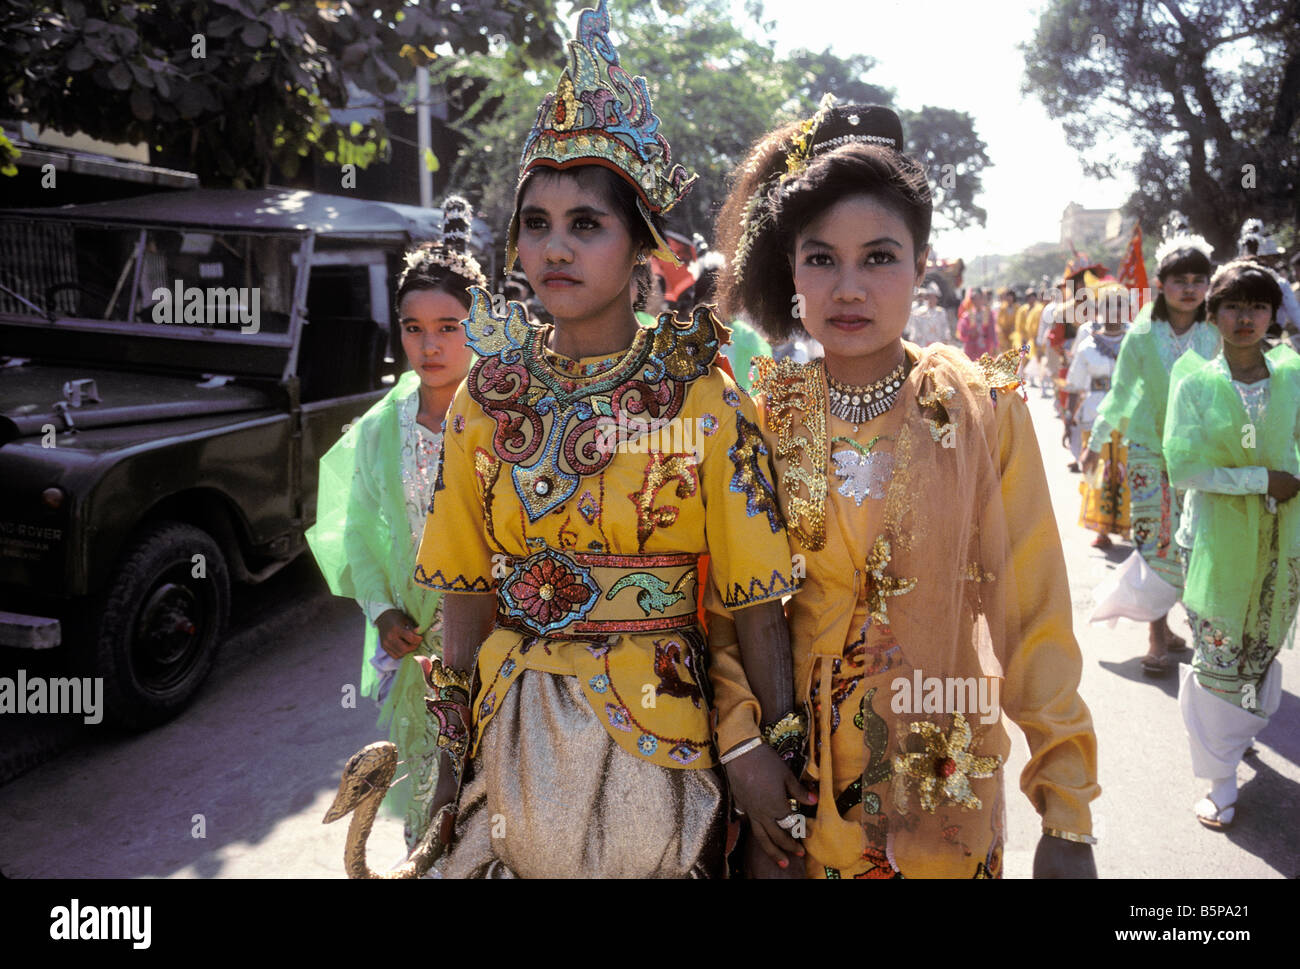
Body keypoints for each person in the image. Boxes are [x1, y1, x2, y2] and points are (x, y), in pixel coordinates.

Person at [413, 0, 803, 878]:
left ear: (641, 248)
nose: (555, 246)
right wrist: (445, 776)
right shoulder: (487, 395)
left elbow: (754, 601)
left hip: (660, 747)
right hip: (512, 741)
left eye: (585, 223)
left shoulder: (703, 398)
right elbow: (465, 597)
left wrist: (779, 755)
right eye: (537, 223)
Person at [712, 99, 1099, 879]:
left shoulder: (985, 407)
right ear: (792, 272)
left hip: (943, 770)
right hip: (801, 785)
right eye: (821, 259)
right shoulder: (764, 414)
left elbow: (1032, 610)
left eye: (879, 257)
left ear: (923, 266)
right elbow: (724, 604)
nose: (848, 287)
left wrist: (1067, 807)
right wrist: (744, 743)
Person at [306, 196, 482, 850]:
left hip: (508, 645)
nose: (429, 344)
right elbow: (358, 531)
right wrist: (382, 611)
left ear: (479, 326)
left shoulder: (513, 418)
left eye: (447, 326)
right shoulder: (383, 427)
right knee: (430, 816)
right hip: (425, 654)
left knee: (503, 809)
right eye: (413, 328)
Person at [1163, 259, 1300, 829]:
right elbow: (1185, 467)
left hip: (1282, 539)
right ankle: (1219, 780)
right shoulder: (1193, 381)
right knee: (1218, 654)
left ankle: (1236, 732)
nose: (1245, 318)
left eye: (1257, 306)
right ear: (1213, 314)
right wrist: (1260, 480)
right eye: (1233, 306)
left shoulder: (1293, 374)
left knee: (1262, 647)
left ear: (1273, 314)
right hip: (1215, 541)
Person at [1083, 220, 1218, 674]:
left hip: (1201, 456)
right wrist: (1097, 443)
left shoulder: (1215, 332)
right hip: (1146, 450)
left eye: (1199, 280)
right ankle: (1157, 637)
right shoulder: (1143, 332)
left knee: (1199, 543)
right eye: (1180, 280)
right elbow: (1121, 394)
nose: (1190, 288)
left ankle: (1196, 631)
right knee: (1156, 541)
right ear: (1162, 284)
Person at [1065, 282, 1129, 549]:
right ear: (1100, 310)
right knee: (1098, 469)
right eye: (1108, 305)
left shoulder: (1137, 339)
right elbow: (1074, 384)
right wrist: (1069, 417)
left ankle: (1130, 524)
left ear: (1127, 309)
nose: (1114, 311)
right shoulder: (1088, 344)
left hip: (1130, 413)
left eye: (1119, 305)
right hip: (1095, 411)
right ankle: (1101, 528)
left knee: (1129, 467)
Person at [956, 287, 996, 360]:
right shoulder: (967, 315)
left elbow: (993, 332)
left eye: (978, 298)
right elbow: (962, 332)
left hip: (985, 348)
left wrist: (994, 346)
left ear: (982, 298)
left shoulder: (989, 314)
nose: (976, 301)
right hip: (971, 349)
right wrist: (970, 333)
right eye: (974, 298)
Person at [905, 281, 949, 346]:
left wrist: (946, 339)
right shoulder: (919, 312)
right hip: (923, 345)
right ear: (927, 298)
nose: (932, 300)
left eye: (934, 297)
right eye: (930, 297)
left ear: (937, 299)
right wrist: (913, 342)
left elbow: (945, 327)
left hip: (937, 344)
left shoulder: (941, 312)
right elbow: (915, 329)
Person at [995, 287, 1018, 352]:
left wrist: (1014, 327)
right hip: (1004, 335)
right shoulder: (1003, 307)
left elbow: (1019, 321)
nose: (1009, 298)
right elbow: (998, 321)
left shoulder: (1017, 308)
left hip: (1014, 333)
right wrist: (1002, 329)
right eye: (1007, 296)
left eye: (1011, 296)